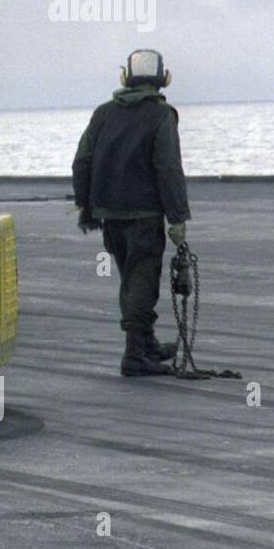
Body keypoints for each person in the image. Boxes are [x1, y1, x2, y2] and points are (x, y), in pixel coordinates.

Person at [72, 49, 190, 377]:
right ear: (163, 79)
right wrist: (177, 217)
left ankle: (146, 342)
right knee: (142, 279)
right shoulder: (161, 115)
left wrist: (87, 208)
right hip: (143, 215)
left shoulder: (103, 114)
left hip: (110, 214)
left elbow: (82, 161)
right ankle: (135, 355)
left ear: (125, 78)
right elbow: (167, 168)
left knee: (131, 278)